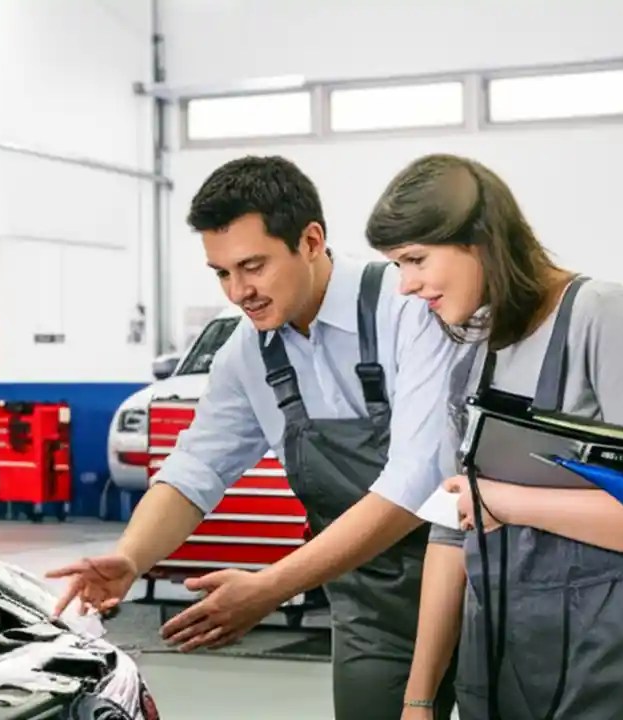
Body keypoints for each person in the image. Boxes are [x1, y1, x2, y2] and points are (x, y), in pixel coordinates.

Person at [45, 155, 466, 719]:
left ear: (311, 241)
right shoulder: (247, 354)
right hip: (372, 614)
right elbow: (196, 469)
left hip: (482, 594)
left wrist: (270, 586)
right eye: (221, 273)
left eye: (253, 266)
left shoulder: (408, 306)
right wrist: (131, 556)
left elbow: (418, 480)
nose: (239, 291)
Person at [363, 152, 623, 720]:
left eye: (415, 259)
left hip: (609, 660)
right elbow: (449, 535)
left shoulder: (600, 316)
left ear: (480, 241)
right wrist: (419, 699)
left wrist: (506, 502)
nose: (406, 286)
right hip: (497, 663)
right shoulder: (469, 357)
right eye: (397, 266)